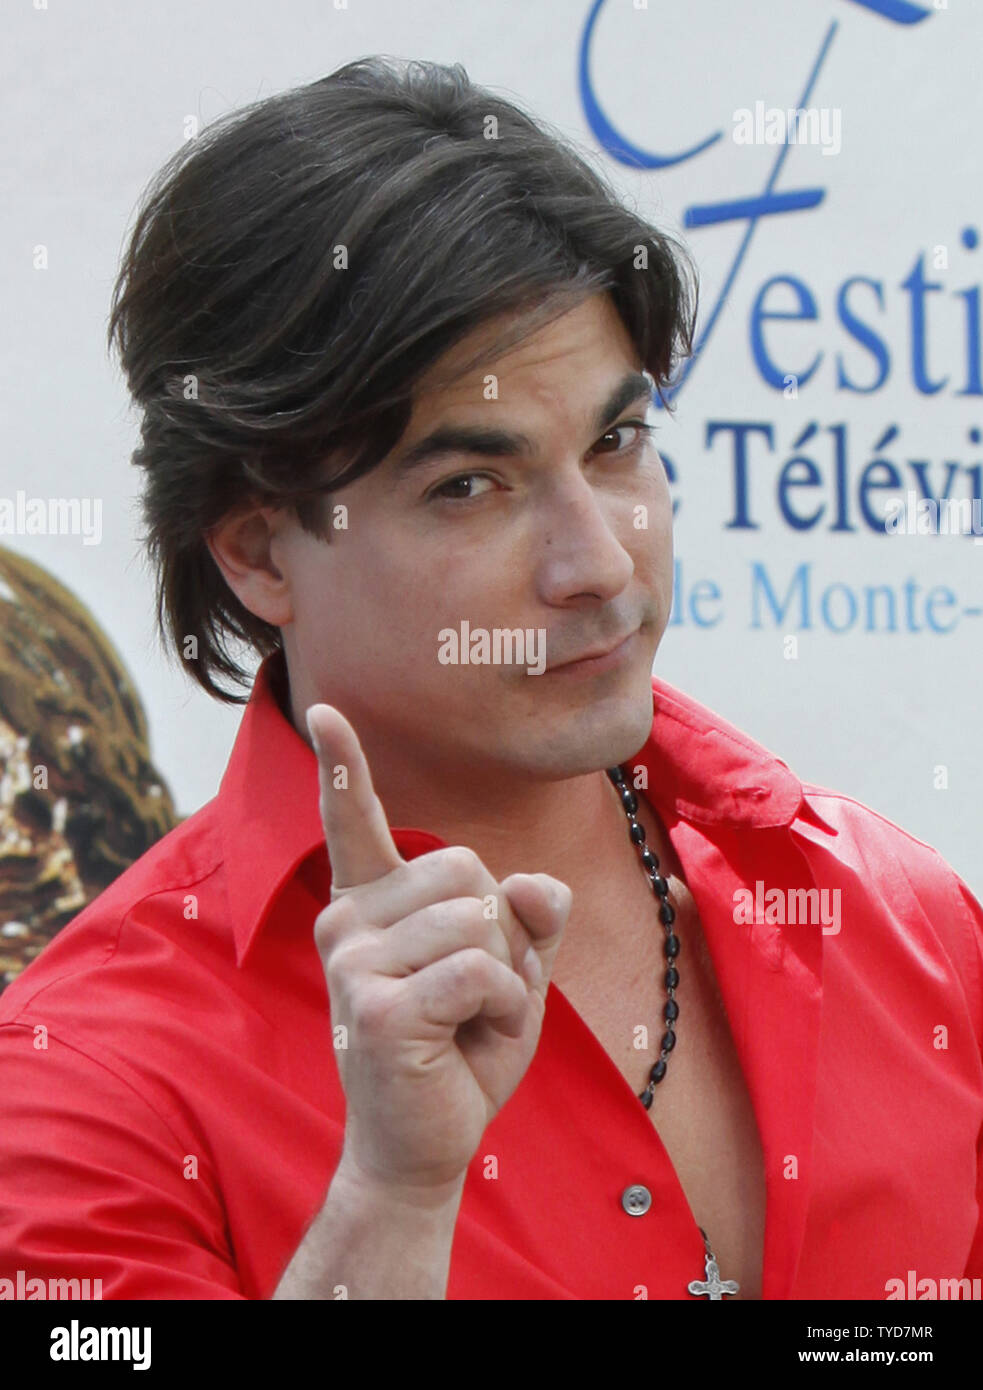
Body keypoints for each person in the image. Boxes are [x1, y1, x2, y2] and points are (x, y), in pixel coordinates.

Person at [1, 56, 980, 1303]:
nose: (596, 559)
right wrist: (388, 1205)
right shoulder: (83, 1078)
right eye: (472, 485)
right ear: (256, 548)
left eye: (615, 444)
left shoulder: (900, 920)